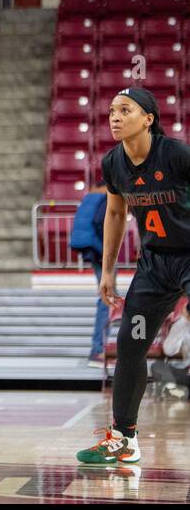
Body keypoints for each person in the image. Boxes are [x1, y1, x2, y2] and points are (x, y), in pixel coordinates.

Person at [76, 87, 190, 466]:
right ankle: (123, 439)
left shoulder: (175, 155)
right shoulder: (113, 164)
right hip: (154, 265)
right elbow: (114, 215)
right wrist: (108, 270)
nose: (114, 116)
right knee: (131, 341)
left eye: (125, 110)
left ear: (148, 119)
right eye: (111, 110)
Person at [70, 182, 109, 366]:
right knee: (106, 297)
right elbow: (102, 222)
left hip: (89, 248)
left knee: (105, 296)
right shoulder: (106, 197)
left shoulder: (90, 196)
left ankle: (98, 349)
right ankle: (98, 350)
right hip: (100, 251)